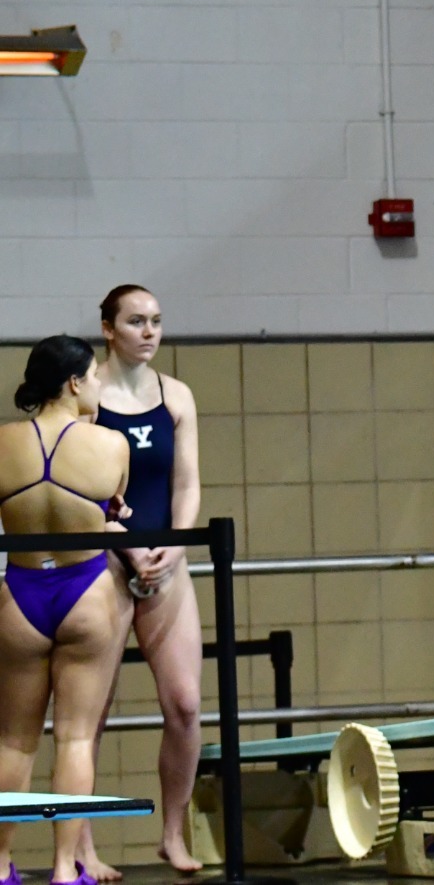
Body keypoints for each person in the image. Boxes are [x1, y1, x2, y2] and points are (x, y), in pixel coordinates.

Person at [0, 337, 132, 885]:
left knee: (13, 741)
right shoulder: (111, 445)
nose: (99, 385)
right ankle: (63, 868)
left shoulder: (2, 442)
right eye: (95, 375)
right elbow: (115, 506)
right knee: (75, 739)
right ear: (74, 382)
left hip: (21, 594)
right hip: (86, 592)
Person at [87, 287, 203, 875]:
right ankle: (81, 845)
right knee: (90, 715)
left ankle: (173, 835)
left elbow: (187, 484)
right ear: (109, 329)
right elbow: (78, 490)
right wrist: (126, 545)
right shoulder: (86, 397)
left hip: (166, 561)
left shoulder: (175, 395)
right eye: (136, 322)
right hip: (104, 562)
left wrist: (174, 547)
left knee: (185, 705)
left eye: (156, 320)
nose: (149, 331)